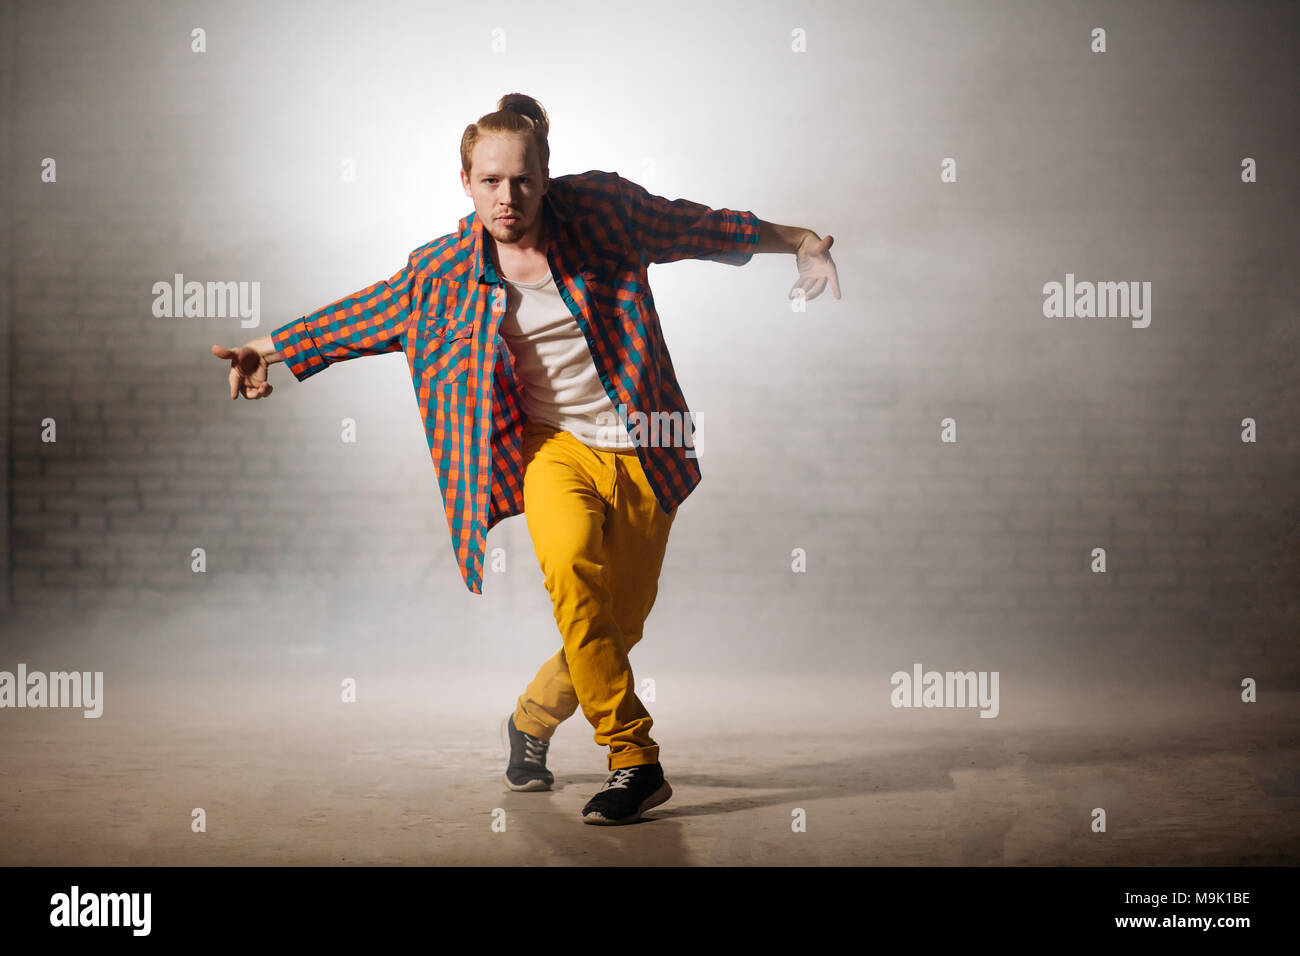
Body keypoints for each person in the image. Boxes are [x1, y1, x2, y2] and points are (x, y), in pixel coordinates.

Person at [212, 93, 840, 825]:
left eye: (521, 180)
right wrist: (268, 347)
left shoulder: (605, 211)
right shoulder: (442, 273)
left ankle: (531, 720)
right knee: (573, 576)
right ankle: (633, 758)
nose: (506, 197)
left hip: (645, 444)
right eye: (489, 181)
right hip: (552, 449)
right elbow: (366, 313)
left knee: (616, 623)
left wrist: (801, 239)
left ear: (546, 176)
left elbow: (698, 226)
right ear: (466, 181)